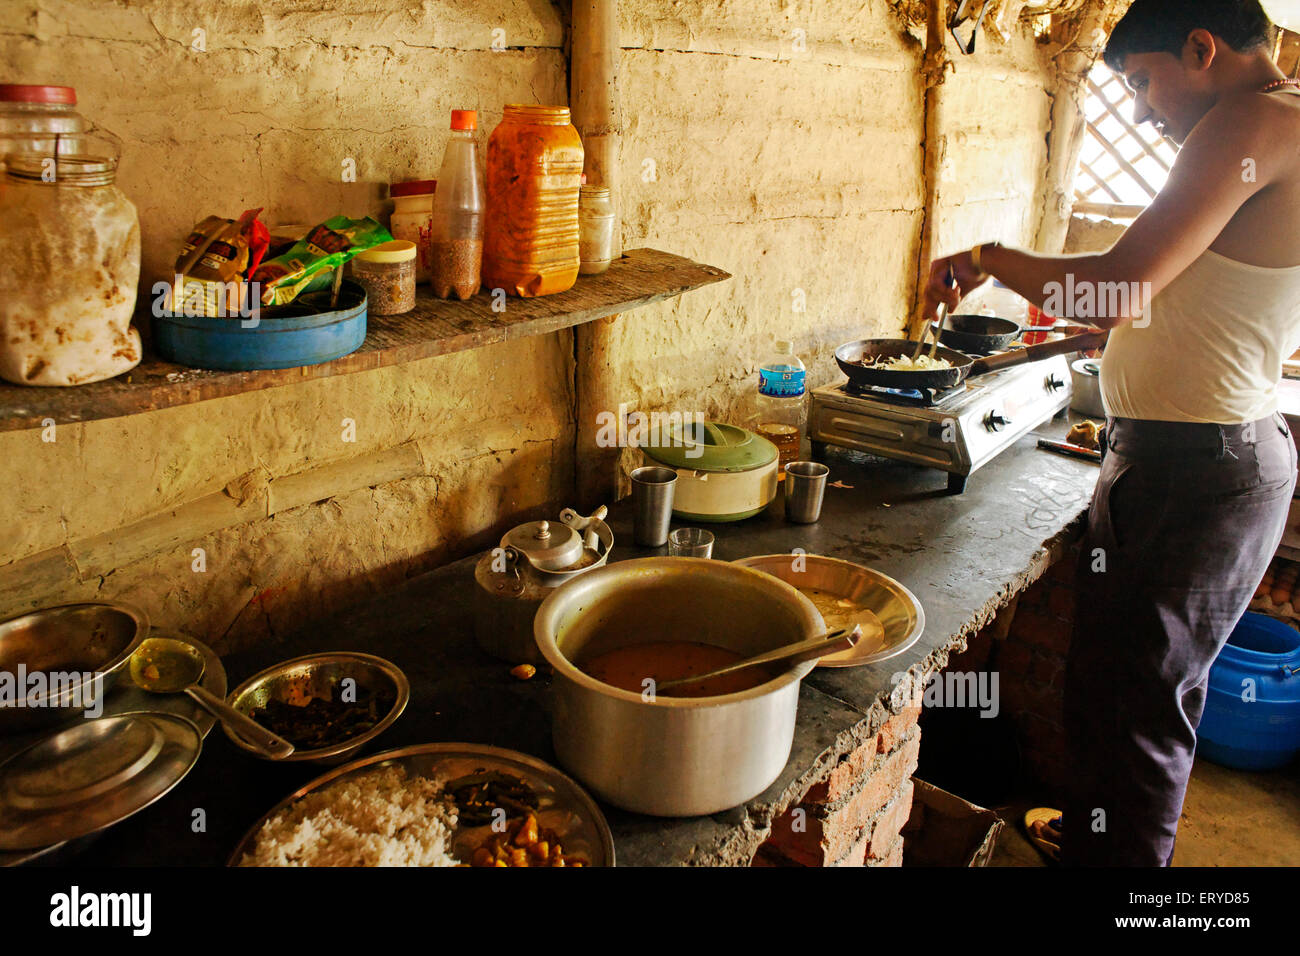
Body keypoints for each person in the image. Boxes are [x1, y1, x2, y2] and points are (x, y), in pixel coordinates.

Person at [921, 0, 1300, 866]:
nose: (1139, 110)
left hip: (1192, 472)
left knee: (1135, 712)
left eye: (1142, 81)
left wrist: (986, 260)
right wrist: (1123, 334)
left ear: (1200, 49)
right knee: (1140, 693)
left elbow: (1119, 287)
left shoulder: (1249, 119)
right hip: (1216, 460)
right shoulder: (1288, 119)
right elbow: (1210, 295)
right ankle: (1101, 841)